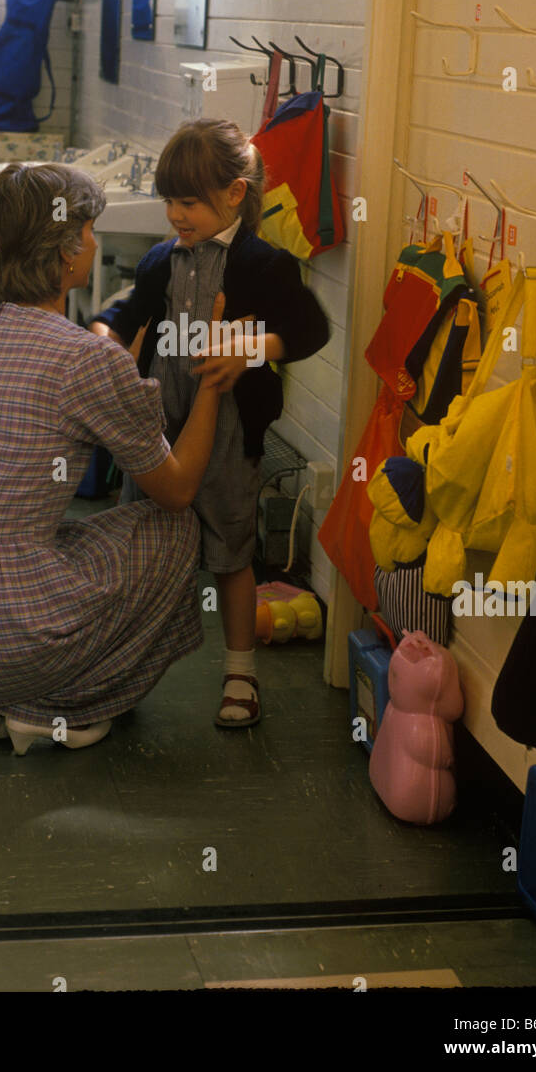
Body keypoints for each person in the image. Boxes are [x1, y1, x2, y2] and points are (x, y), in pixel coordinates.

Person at [0, 162, 227, 755]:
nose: (95, 241)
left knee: (59, 536)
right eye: (89, 229)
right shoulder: (85, 360)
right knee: (175, 528)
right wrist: (212, 384)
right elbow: (174, 489)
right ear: (64, 248)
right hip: (5, 626)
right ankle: (58, 706)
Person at [91, 119, 331, 729]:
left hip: (230, 432)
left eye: (189, 201)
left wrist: (252, 347)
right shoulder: (158, 260)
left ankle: (241, 673)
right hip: (160, 427)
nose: (175, 214)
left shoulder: (265, 265)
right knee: (139, 548)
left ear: (234, 193)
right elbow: (127, 309)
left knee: (230, 554)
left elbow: (310, 330)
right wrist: (106, 336)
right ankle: (118, 668)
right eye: (169, 200)